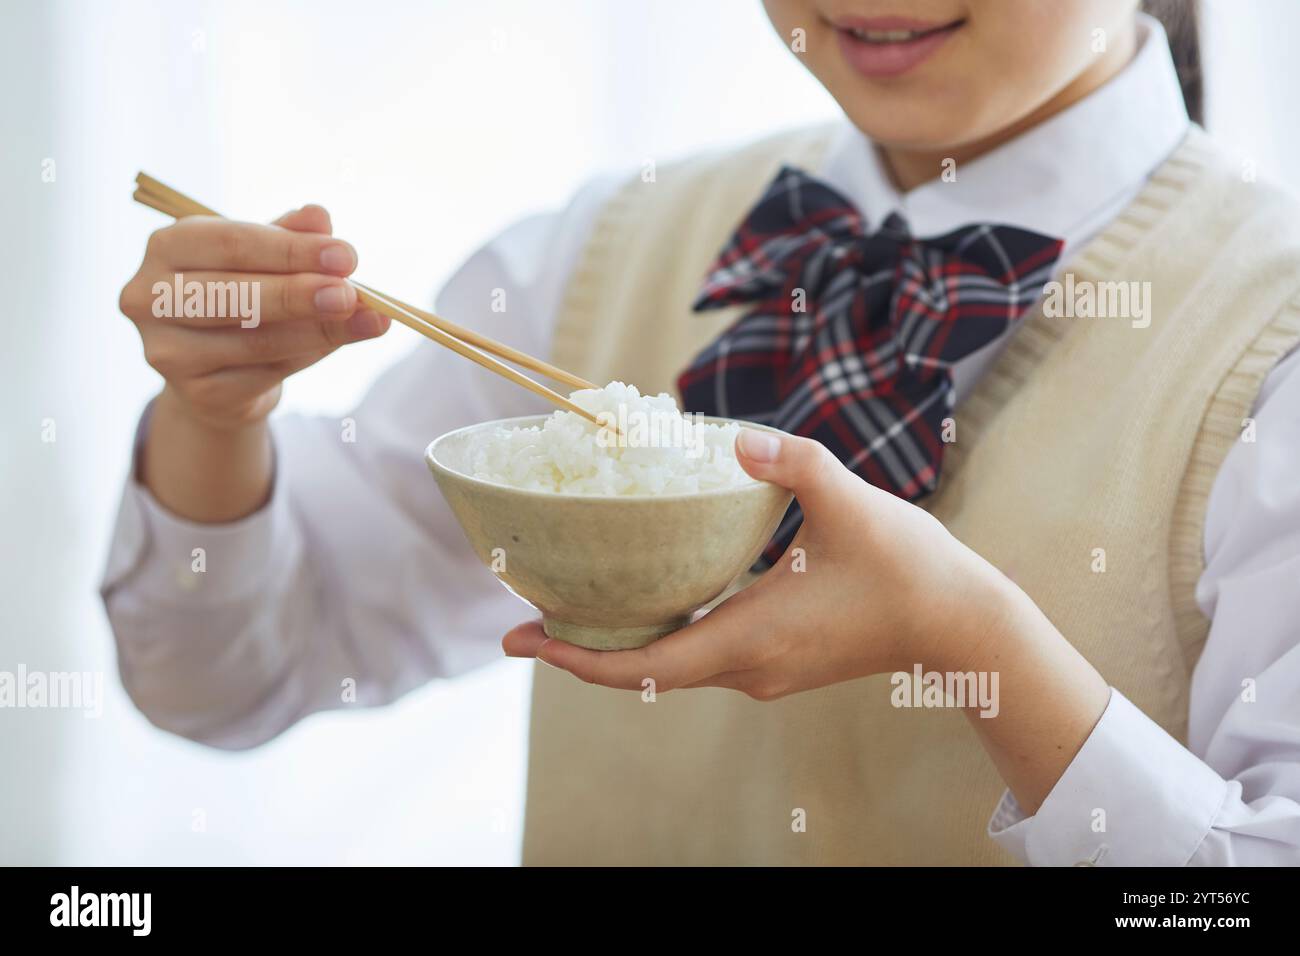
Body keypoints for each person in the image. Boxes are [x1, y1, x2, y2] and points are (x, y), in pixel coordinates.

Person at [106, 0, 1300, 865]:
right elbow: (226, 680)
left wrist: (971, 635)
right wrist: (219, 416)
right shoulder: (602, 249)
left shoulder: (1271, 334)